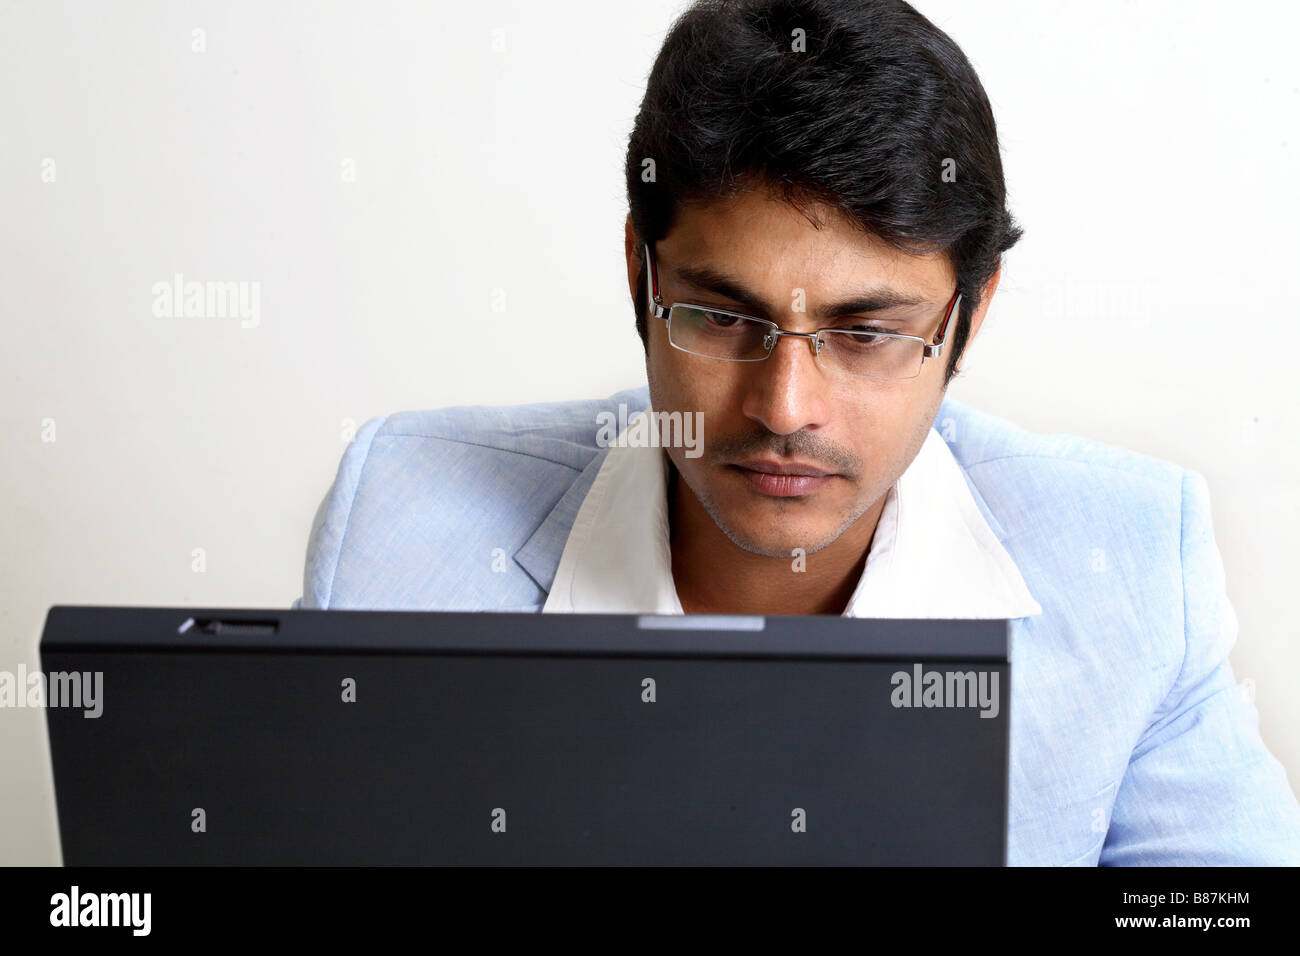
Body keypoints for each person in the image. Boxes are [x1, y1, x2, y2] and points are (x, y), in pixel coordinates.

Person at [294, 0, 1300, 864]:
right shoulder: (401, 519)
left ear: (969, 315)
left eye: (865, 333)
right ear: (639, 273)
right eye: (723, 316)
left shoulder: (1127, 562)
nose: (784, 407)